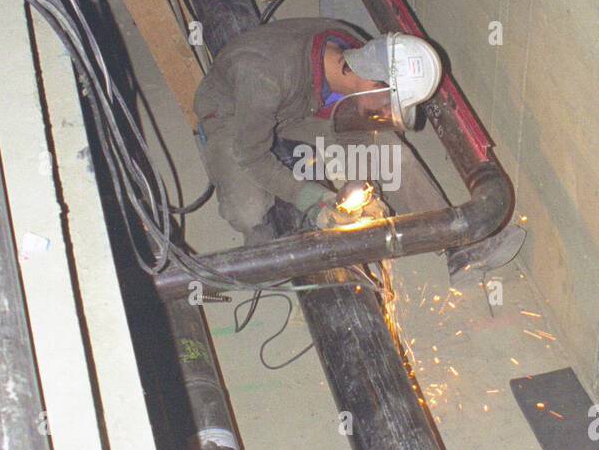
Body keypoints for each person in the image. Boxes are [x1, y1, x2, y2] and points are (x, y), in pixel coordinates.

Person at [194, 16, 524, 270]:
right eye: (386, 103)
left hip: (298, 109)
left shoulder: (354, 51)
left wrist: (359, 167)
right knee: (248, 208)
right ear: (368, 80)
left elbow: (369, 135)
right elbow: (252, 156)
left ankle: (457, 246)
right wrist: (313, 198)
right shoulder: (263, 76)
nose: (385, 112)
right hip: (232, 112)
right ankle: (262, 243)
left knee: (390, 154)